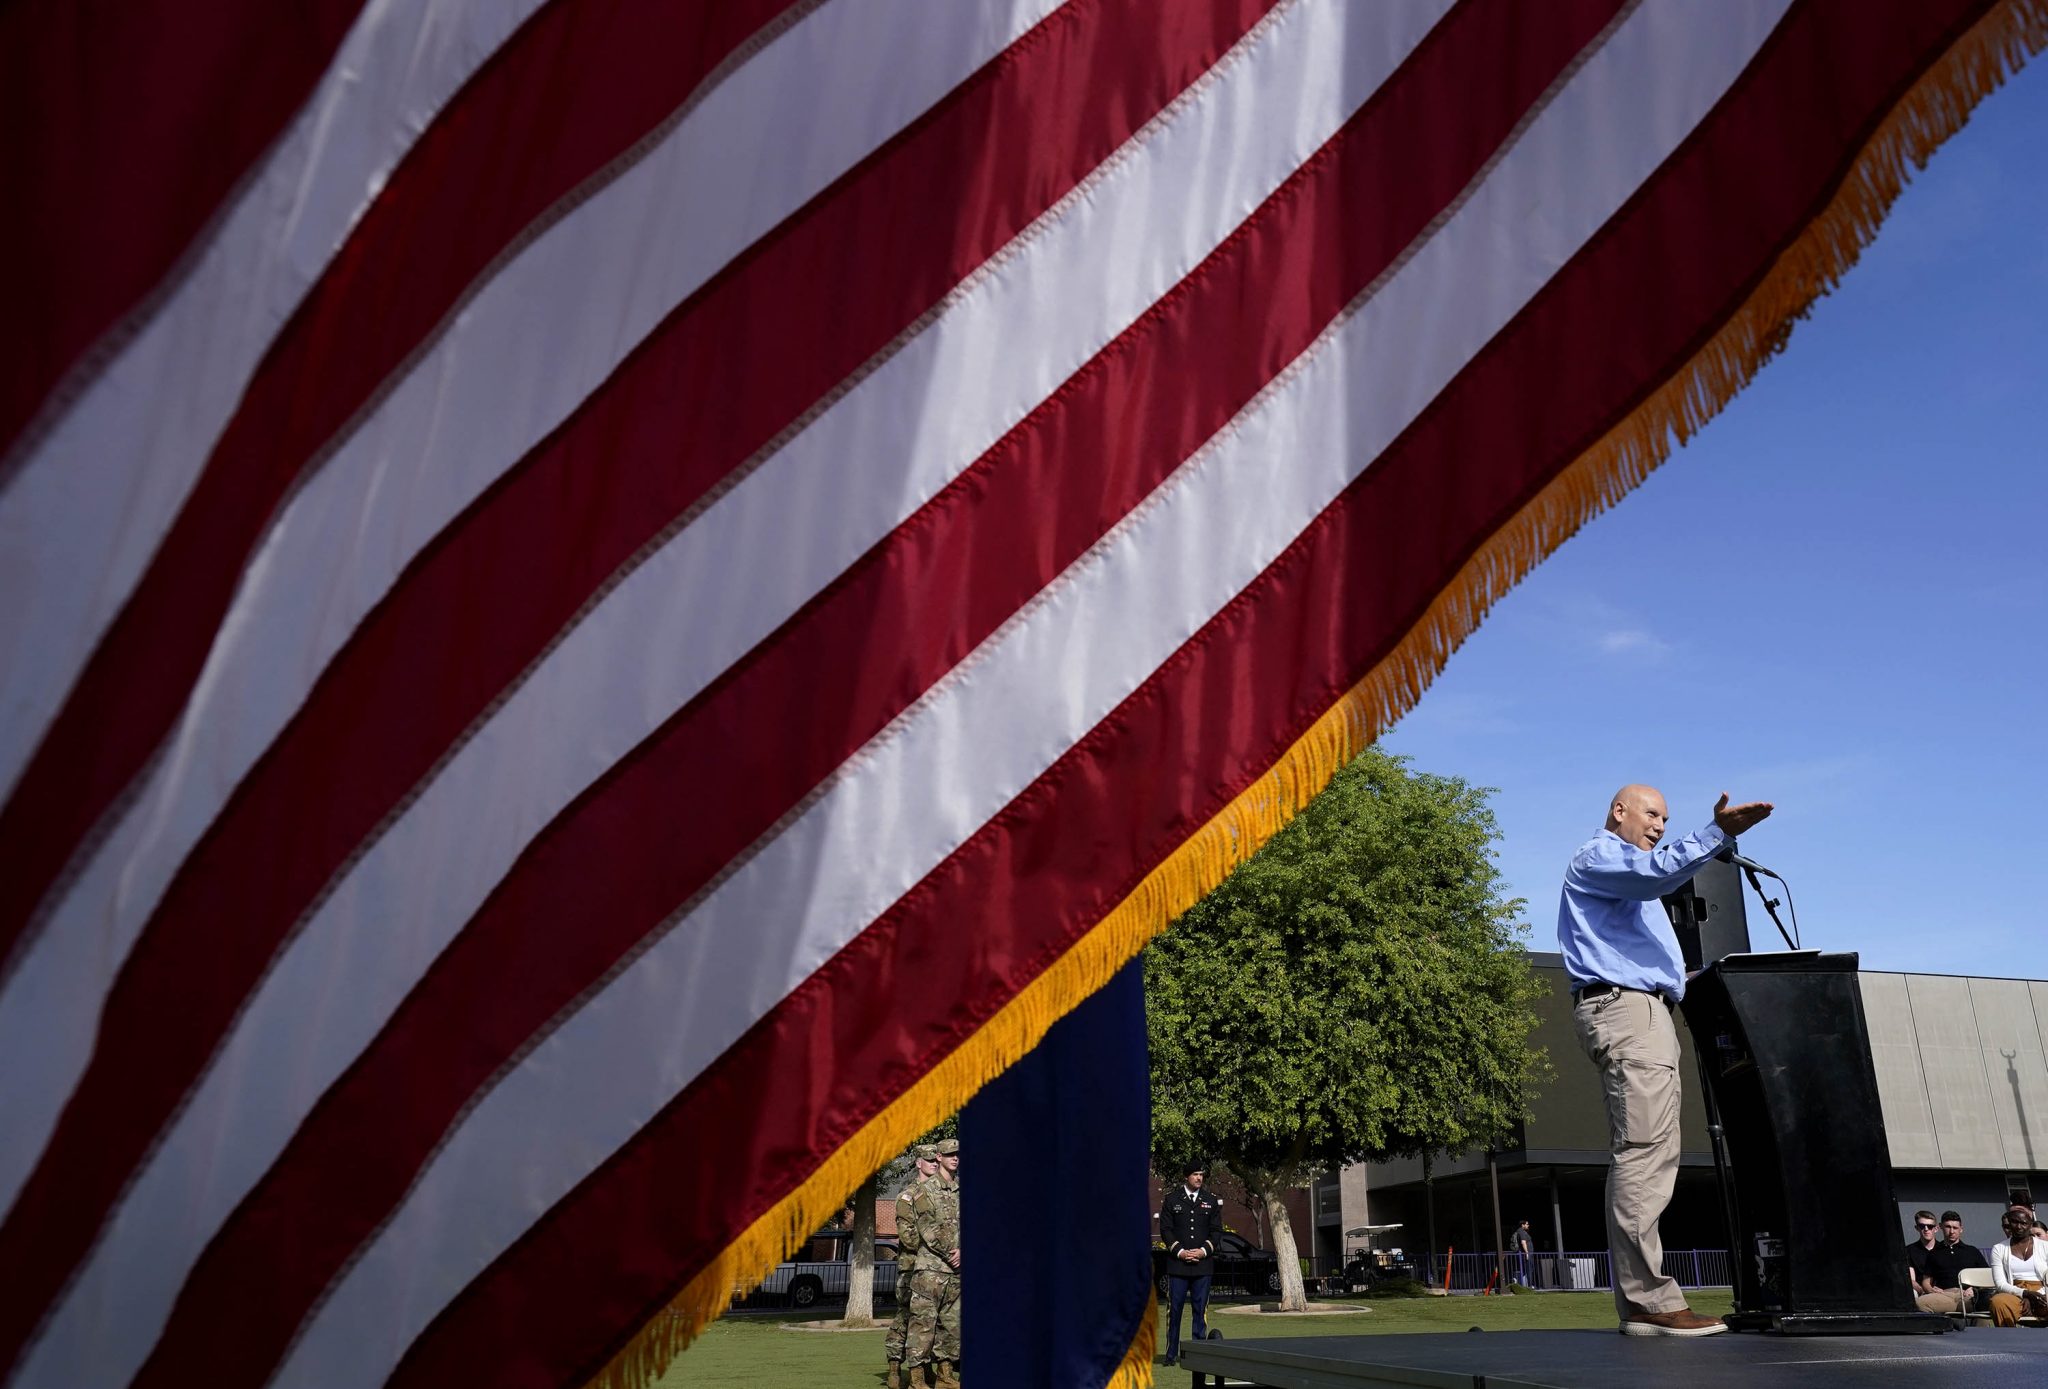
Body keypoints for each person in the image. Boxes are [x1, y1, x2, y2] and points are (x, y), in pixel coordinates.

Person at [1558, 784, 1773, 1338]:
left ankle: (1644, 1303)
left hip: (1641, 1009)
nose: (1659, 825)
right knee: (1644, 1151)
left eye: (1666, 818)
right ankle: (1649, 1300)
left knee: (1654, 1150)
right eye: (1651, 814)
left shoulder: (1630, 885)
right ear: (1618, 811)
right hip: (1627, 1011)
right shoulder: (1602, 855)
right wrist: (1718, 832)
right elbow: (1657, 875)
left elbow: (1651, 961)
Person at [904, 1139, 962, 1387]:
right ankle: (918, 1380)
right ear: (938, 1157)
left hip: (956, 1271)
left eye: (957, 1154)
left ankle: (945, 1376)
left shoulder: (962, 1189)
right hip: (931, 1270)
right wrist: (953, 1252)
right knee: (923, 1327)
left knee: (951, 1327)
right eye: (949, 1154)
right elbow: (926, 1228)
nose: (955, 1158)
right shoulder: (924, 1190)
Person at [885, 1144, 940, 1389]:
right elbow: (908, 1237)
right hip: (912, 1267)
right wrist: (934, 1246)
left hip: (935, 1268)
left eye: (936, 1160)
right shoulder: (907, 1195)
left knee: (929, 1322)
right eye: (929, 1161)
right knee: (906, 1318)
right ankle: (895, 1368)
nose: (934, 1164)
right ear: (918, 1163)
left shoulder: (939, 1195)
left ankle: (924, 1369)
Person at [1159, 1160, 1222, 1366]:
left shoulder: (1210, 1200)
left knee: (1199, 1311)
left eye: (1201, 1174)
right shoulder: (1171, 1199)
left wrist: (1203, 1251)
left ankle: (1198, 1354)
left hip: (1203, 1267)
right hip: (1178, 1266)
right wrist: (1181, 1252)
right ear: (1186, 1176)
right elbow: (1166, 1230)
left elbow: (1216, 1232)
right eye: (1195, 1174)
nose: (1199, 1178)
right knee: (1174, 1310)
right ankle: (1170, 1355)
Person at [1907, 1209, 1977, 1314]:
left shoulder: (1972, 1251)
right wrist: (1931, 1290)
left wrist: (1973, 1288)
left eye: (1955, 1228)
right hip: (1944, 1295)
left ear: (1961, 1229)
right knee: (1918, 1303)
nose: (1952, 1231)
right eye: (1948, 1227)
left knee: (1984, 1302)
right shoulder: (1934, 1253)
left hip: (1968, 1295)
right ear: (1941, 1227)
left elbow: (1987, 1277)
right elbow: (1926, 1282)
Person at [1989, 1206, 2048, 1327]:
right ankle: (2008, 1342)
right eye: (2015, 1222)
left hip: (2044, 1293)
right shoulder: (1999, 1249)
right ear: (2009, 1224)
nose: (2019, 1226)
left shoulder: (2045, 1246)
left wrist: (2034, 1297)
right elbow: (2000, 1284)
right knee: (1998, 1302)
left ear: (2031, 1224)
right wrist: (2025, 1294)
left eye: (2023, 1223)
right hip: (2015, 1293)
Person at [1511, 1219, 1536, 1287]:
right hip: (1527, 1254)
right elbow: (1523, 1242)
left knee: (1530, 1269)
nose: (1528, 1225)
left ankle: (1528, 1284)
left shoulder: (1523, 1231)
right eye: (1527, 1224)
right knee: (1529, 1269)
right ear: (1523, 1225)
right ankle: (1530, 1285)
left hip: (1529, 1254)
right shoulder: (1521, 1232)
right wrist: (1527, 1253)